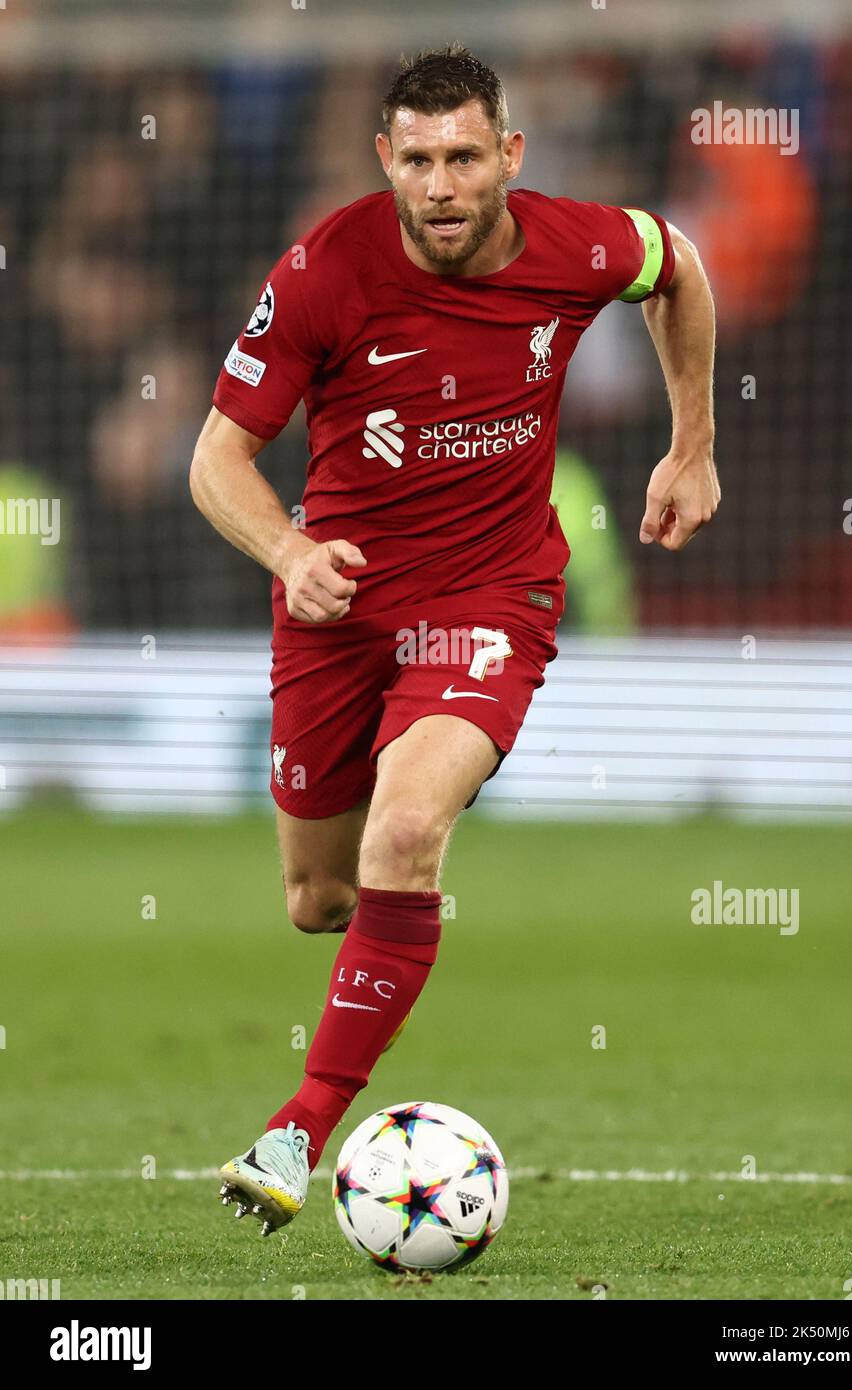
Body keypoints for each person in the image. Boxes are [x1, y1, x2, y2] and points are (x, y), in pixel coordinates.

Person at [189, 44, 719, 1238]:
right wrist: (289, 555)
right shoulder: (324, 269)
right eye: (418, 159)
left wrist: (692, 445)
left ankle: (300, 1123)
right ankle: (392, 881)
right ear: (386, 159)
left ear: (509, 158)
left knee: (408, 824)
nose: (441, 184)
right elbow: (215, 459)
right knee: (320, 898)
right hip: (337, 606)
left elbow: (679, 265)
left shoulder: (579, 243)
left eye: (465, 157)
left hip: (490, 597)